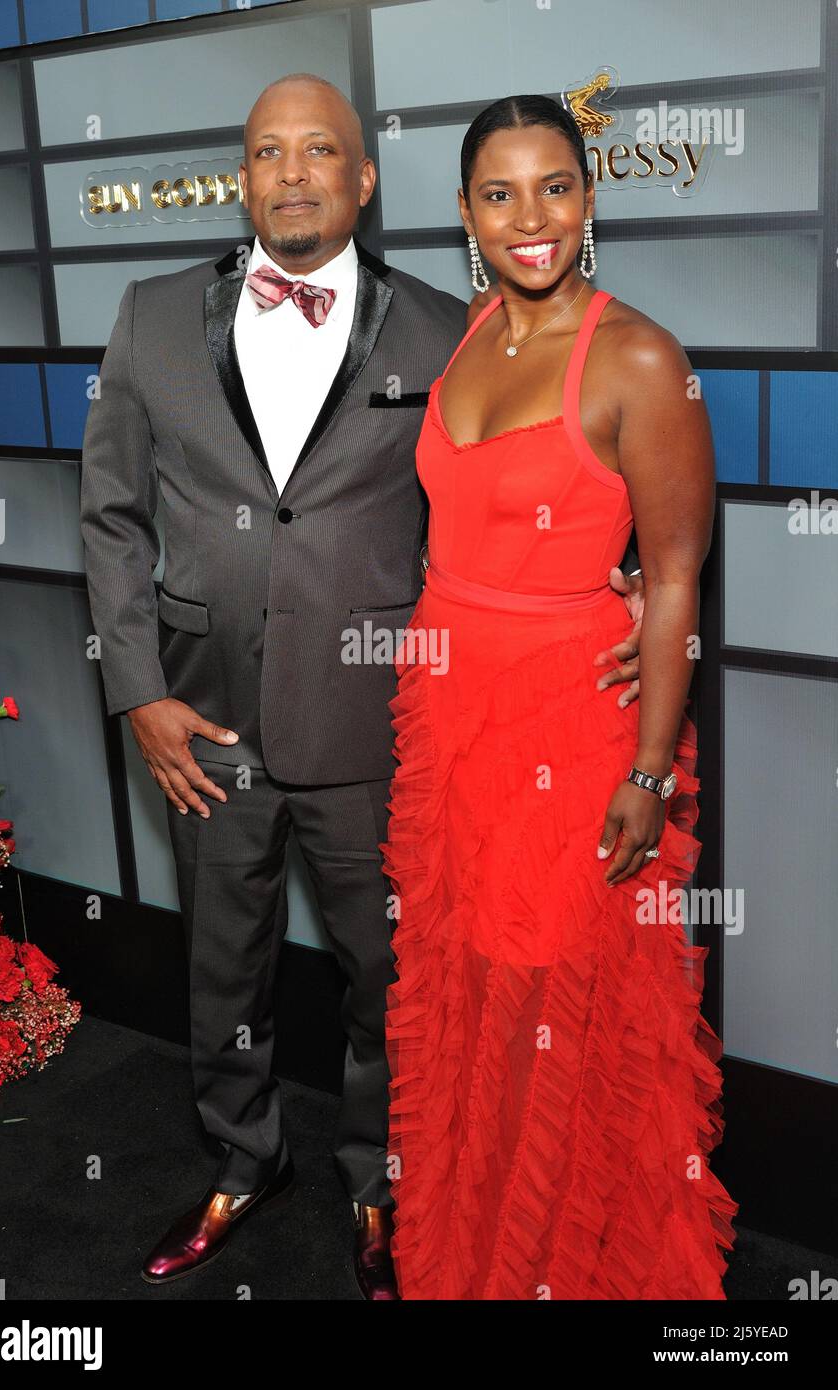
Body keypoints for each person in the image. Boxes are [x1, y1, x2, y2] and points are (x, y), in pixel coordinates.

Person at [79, 74, 643, 1300]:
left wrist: (634, 585)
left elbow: (550, 474)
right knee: (219, 965)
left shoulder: (449, 328)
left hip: (378, 716)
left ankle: (381, 1183)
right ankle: (241, 1160)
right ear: (243, 175)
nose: (292, 174)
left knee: (386, 979)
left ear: (363, 178)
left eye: (318, 151)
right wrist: (135, 689)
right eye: (267, 153)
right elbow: (111, 518)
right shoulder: (152, 315)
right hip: (203, 718)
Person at [379, 94, 739, 1300]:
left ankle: (572, 1270)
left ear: (589, 200)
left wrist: (645, 771)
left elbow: (676, 574)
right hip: (453, 724)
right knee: (471, 993)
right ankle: (474, 1257)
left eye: (553, 188)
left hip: (567, 729)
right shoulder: (474, 331)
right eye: (498, 194)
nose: (528, 218)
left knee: (563, 1005)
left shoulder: (637, 355)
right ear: (467, 214)